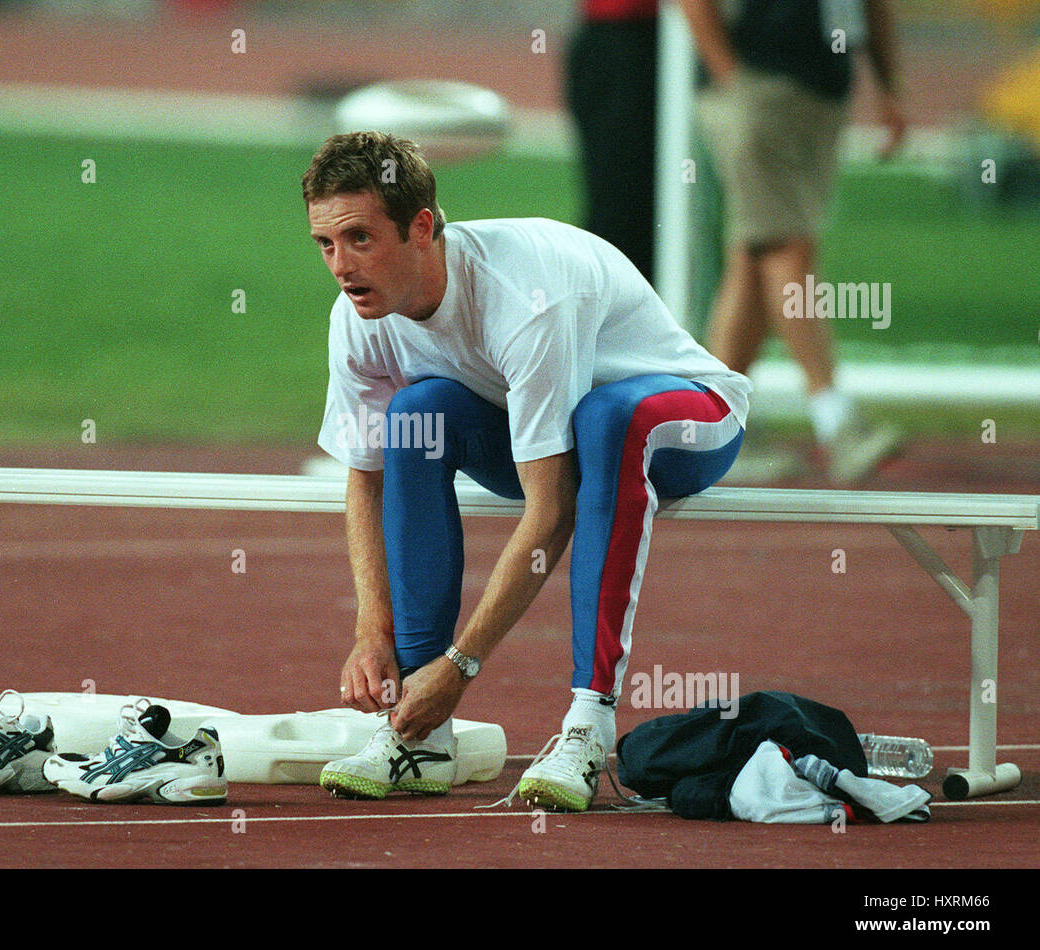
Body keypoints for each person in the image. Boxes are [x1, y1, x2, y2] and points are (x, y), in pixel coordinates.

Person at [302, 132, 752, 812]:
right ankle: (420, 735)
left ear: (421, 227)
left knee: (609, 420)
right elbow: (365, 477)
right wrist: (373, 633)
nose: (340, 264)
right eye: (326, 244)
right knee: (417, 413)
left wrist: (463, 664)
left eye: (360, 238)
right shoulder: (357, 316)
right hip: (550, 435)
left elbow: (551, 509)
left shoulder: (525, 296)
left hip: (688, 420)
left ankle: (587, 725)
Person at [680, 0, 908, 484]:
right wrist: (733, 81)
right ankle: (837, 422)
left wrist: (888, 87)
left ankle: (712, 431)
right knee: (788, 248)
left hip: (821, 95)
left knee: (754, 255)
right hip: (757, 85)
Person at [565, 0, 660, 282]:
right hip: (623, 38)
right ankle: (606, 314)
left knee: (653, 208)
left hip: (654, 40)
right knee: (621, 204)